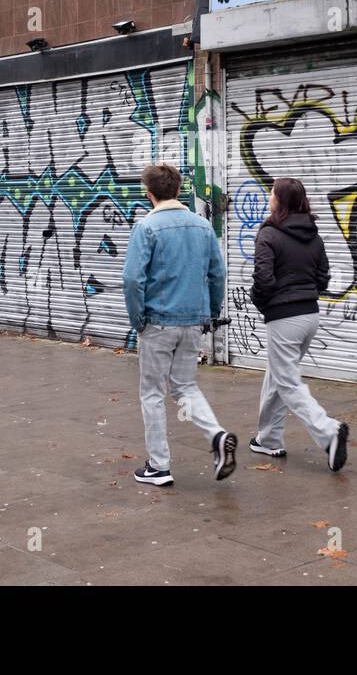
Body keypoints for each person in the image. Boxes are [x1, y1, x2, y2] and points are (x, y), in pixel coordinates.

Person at [123, 163, 236, 487]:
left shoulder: (146, 228)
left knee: (153, 394)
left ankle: (159, 466)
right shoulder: (201, 227)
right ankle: (216, 435)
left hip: (158, 322)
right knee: (185, 387)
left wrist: (138, 320)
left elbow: (133, 279)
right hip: (192, 321)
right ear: (177, 189)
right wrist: (210, 313)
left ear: (149, 194)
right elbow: (218, 274)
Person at [249, 177, 349, 472]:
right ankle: (268, 438)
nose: (269, 197)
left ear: (280, 200)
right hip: (310, 316)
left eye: (272, 193)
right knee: (278, 375)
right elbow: (323, 277)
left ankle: (329, 431)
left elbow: (263, 278)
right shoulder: (313, 236)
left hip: (284, 318)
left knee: (288, 382)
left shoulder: (269, 234)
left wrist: (265, 303)